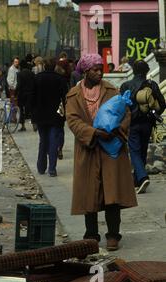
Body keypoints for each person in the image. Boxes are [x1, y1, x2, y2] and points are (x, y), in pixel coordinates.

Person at [66, 53, 137, 251]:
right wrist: (93, 133)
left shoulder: (112, 91)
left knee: (112, 193)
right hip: (88, 148)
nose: (100, 72)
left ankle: (113, 234)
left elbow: (126, 114)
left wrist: (115, 130)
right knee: (90, 194)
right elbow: (72, 120)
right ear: (86, 72)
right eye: (95, 70)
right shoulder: (73, 94)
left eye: (101, 69)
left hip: (111, 149)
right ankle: (91, 235)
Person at [120, 60, 166, 194]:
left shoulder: (125, 85)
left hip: (132, 123)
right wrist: (154, 114)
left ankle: (143, 177)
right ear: (146, 71)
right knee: (142, 151)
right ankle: (137, 180)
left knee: (134, 151)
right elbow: (162, 104)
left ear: (133, 71)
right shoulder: (152, 85)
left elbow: (122, 105)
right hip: (147, 123)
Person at [32, 57, 68, 177]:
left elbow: (33, 97)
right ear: (54, 67)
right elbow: (64, 98)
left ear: (44, 66)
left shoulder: (37, 78)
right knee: (53, 142)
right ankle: (52, 169)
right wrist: (64, 114)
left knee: (43, 141)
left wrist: (33, 115)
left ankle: (41, 166)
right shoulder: (60, 79)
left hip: (41, 115)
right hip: (55, 116)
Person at [16, 60, 35, 131]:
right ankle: (34, 123)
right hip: (31, 93)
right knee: (32, 109)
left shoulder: (19, 74)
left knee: (21, 110)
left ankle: (23, 125)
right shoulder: (32, 73)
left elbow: (19, 85)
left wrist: (15, 93)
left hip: (22, 94)